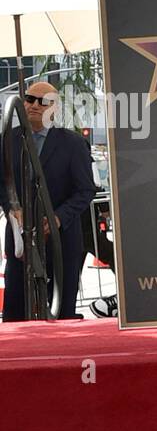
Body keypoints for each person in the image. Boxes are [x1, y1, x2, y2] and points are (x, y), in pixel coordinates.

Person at [2, 82, 96, 321]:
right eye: (30, 99)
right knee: (15, 310)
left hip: (62, 239)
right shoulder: (6, 141)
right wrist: (13, 208)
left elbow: (85, 190)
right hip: (20, 238)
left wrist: (57, 218)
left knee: (62, 312)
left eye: (44, 101)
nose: (35, 105)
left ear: (55, 108)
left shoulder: (73, 144)